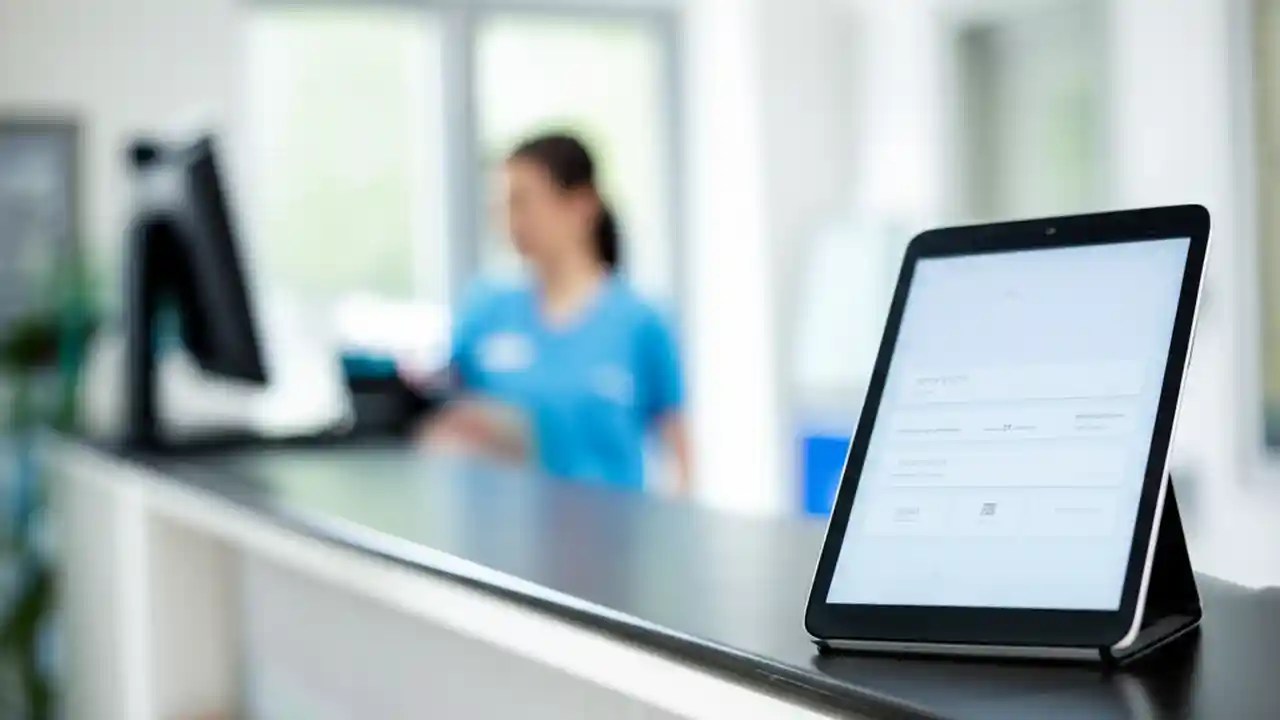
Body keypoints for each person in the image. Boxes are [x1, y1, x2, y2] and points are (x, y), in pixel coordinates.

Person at [422, 133, 690, 493]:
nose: (511, 222)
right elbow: (439, 422)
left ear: (582, 206)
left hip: (613, 537)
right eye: (502, 207)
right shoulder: (485, 312)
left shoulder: (640, 322)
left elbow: (679, 450)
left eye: (523, 203)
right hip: (503, 536)